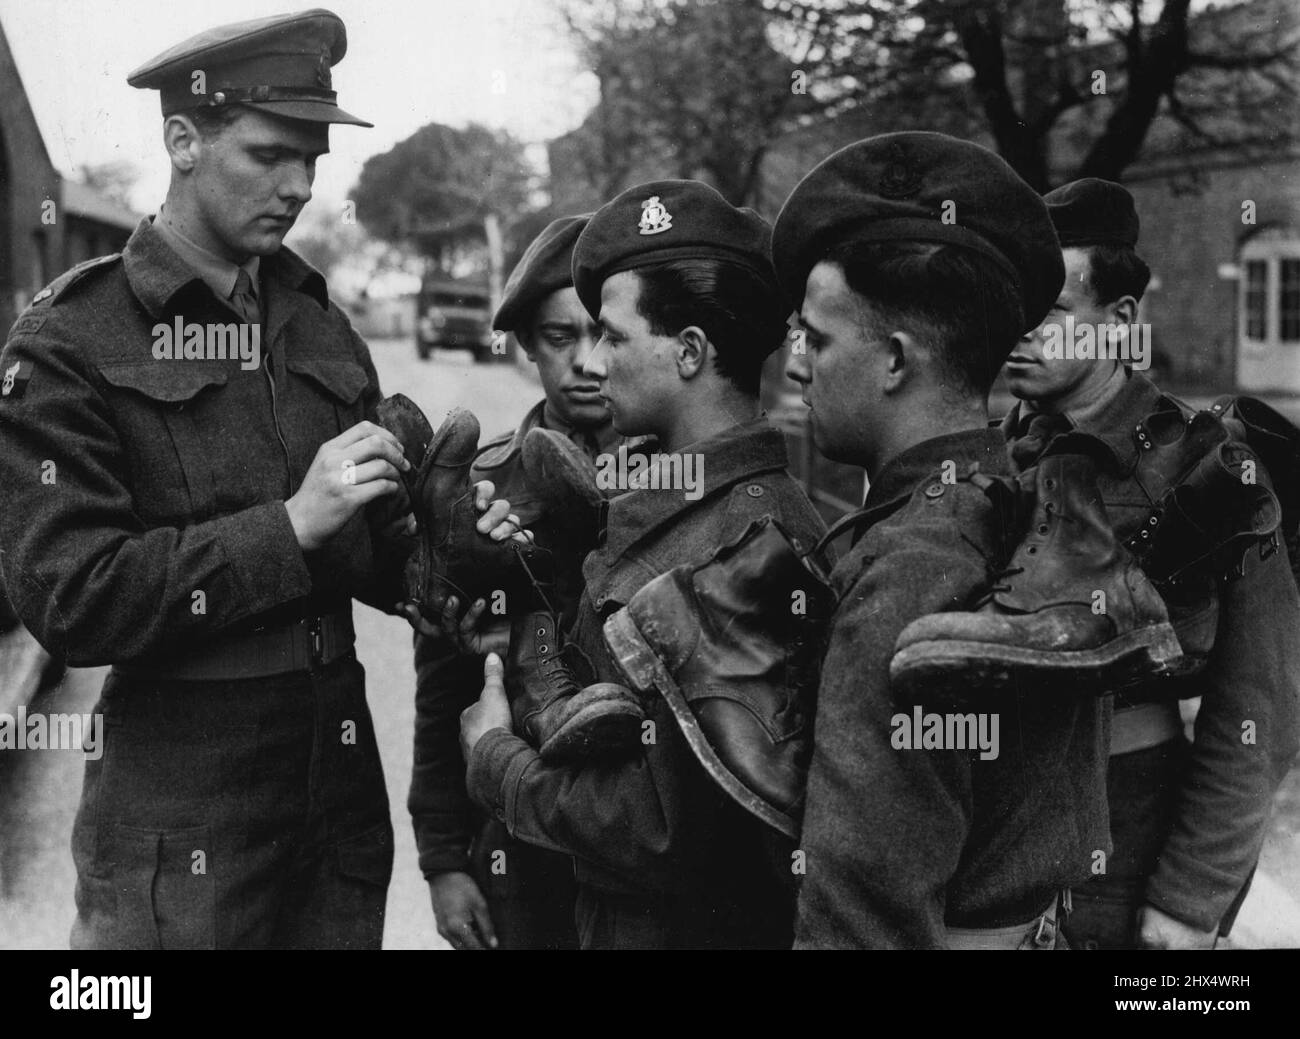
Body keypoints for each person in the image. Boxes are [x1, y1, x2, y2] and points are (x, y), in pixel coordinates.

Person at [0, 9, 515, 949]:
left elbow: (371, 548)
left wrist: (440, 561)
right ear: (183, 138)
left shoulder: (317, 322)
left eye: (312, 161)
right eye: (271, 154)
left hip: (333, 795)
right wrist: (287, 526)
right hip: (181, 810)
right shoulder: (73, 339)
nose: (299, 187)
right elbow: (68, 598)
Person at [458, 180, 827, 949]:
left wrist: (498, 763)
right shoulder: (667, 496)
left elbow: (671, 829)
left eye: (614, 338)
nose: (591, 362)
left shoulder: (754, 537)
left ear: (689, 352)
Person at [774, 132, 1111, 948]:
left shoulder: (910, 567)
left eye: (816, 339)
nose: (795, 367)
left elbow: (863, 922)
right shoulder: (1022, 502)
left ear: (894, 359)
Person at [998, 178, 1300, 949]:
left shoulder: (1203, 466)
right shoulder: (988, 461)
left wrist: (1189, 900)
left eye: (1054, 313)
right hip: (993, 840)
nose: (1022, 332)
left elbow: (1258, 706)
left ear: (1120, 321)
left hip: (1125, 838)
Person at [407, 214, 638, 950]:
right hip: (517, 836)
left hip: (642, 833)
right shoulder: (486, 483)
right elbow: (444, 686)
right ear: (527, 347)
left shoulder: (679, 476)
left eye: (601, 333)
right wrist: (444, 860)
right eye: (558, 337)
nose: (584, 361)